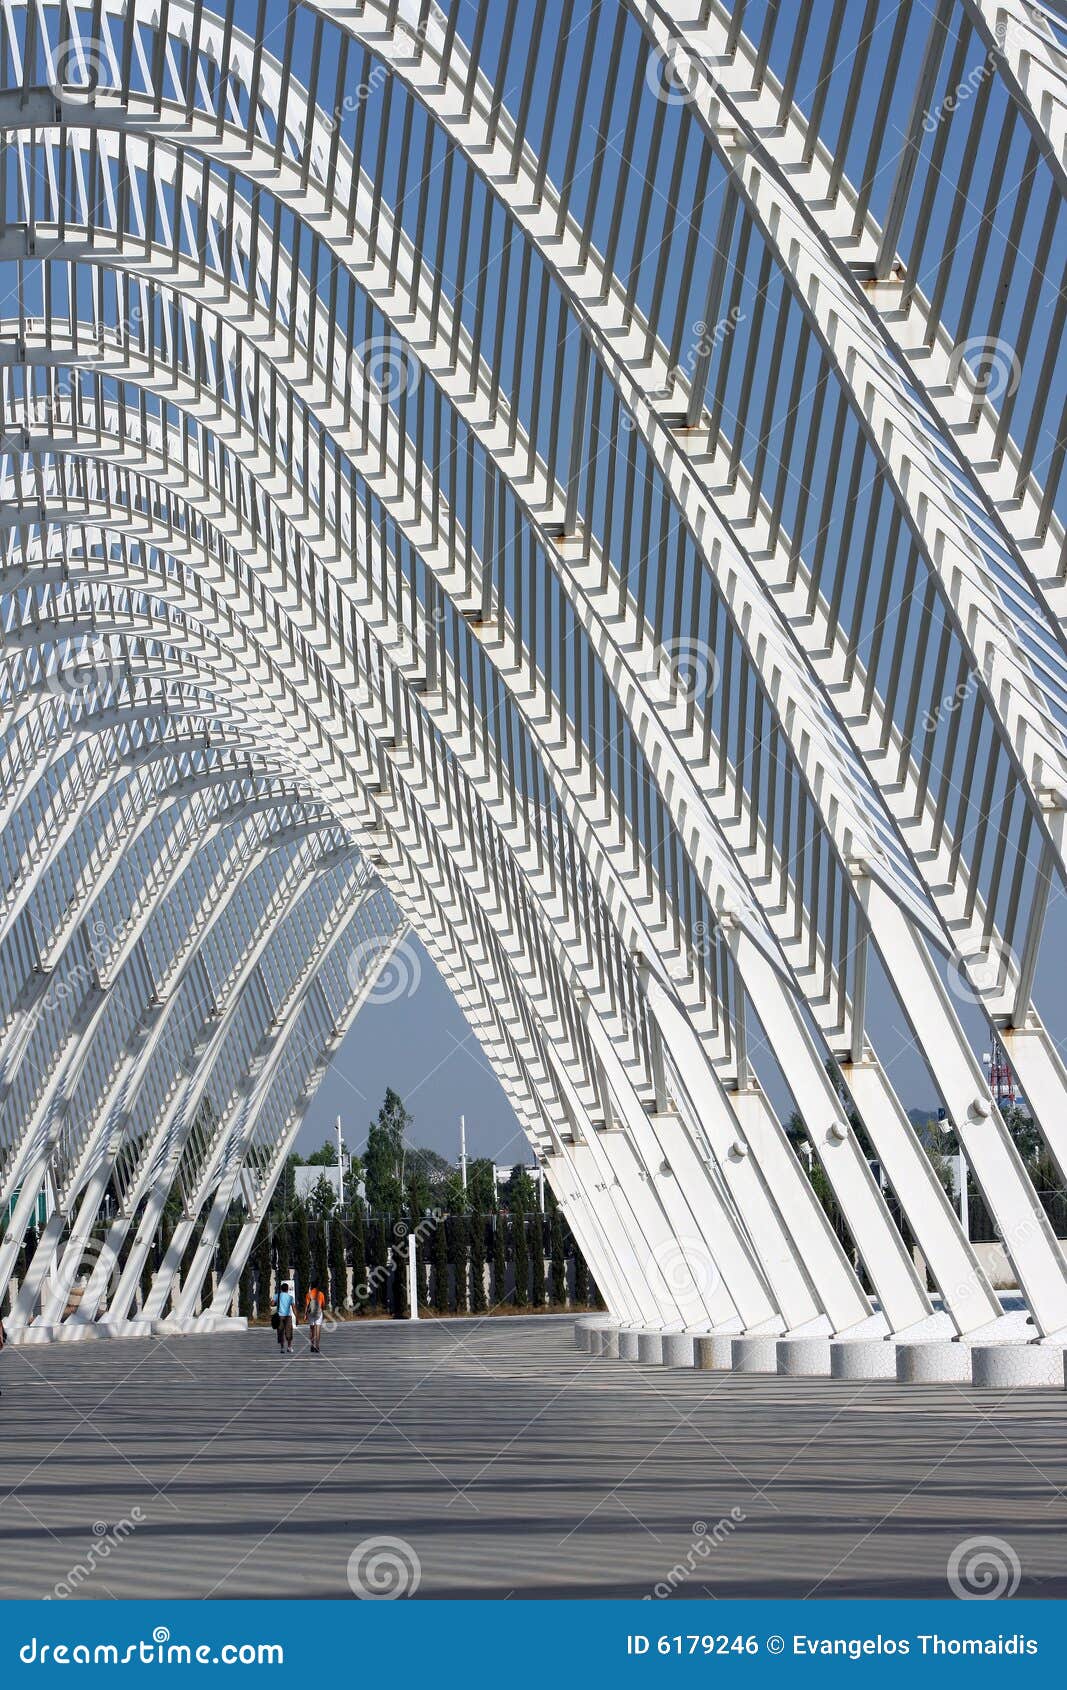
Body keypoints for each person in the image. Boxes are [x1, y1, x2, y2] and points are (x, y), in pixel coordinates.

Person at [274, 1280, 297, 1354]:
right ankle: (289, 1347)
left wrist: (275, 1304)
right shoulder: (290, 1297)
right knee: (289, 1332)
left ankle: (282, 1348)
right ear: (287, 1289)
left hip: (280, 1316)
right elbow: (294, 1308)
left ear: (281, 1289)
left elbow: (271, 1304)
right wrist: (297, 1317)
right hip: (288, 1317)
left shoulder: (277, 1295)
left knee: (280, 1332)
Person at [304, 1283, 325, 1353]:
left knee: (311, 1329)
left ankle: (312, 1346)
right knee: (318, 1329)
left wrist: (305, 1315)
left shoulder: (308, 1294)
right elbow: (323, 1305)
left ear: (311, 1287)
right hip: (319, 1313)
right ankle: (317, 1346)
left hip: (311, 1313)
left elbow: (307, 1306)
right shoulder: (321, 1294)